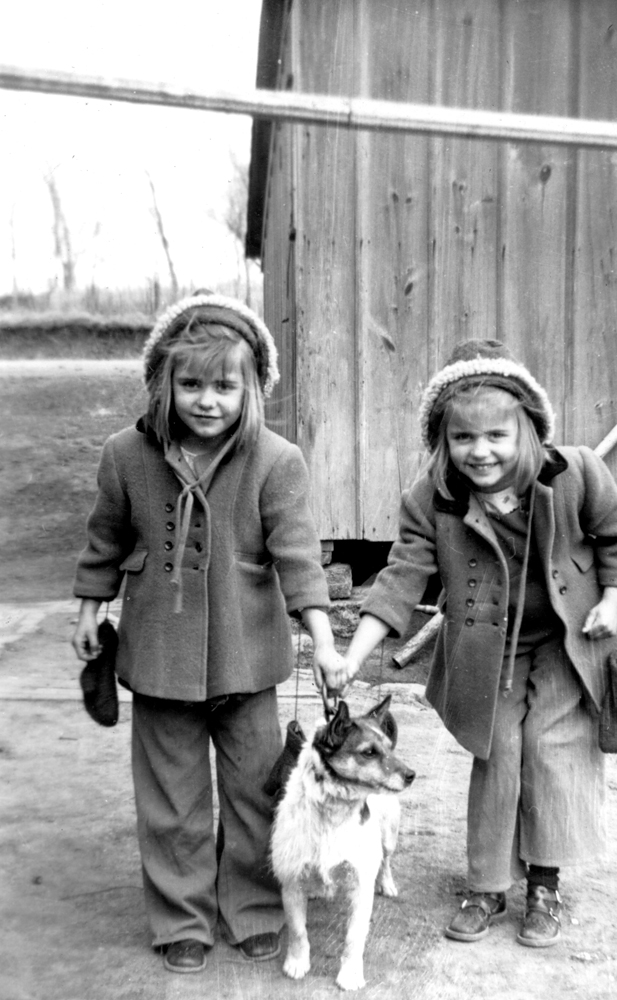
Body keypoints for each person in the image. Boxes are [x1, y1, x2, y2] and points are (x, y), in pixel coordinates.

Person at [331, 340, 617, 949]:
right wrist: (352, 656)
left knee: (550, 749)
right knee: (498, 750)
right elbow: (400, 578)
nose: (480, 451)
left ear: (528, 430)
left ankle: (545, 886)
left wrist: (611, 600)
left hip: (572, 637)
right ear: (442, 441)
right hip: (489, 648)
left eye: (497, 435)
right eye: (462, 438)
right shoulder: (432, 498)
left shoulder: (575, 472)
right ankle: (487, 886)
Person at [71, 292, 343, 974]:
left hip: (247, 662)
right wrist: (89, 610)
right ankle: (181, 917)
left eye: (225, 386)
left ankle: (252, 907)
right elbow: (104, 540)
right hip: (159, 658)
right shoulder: (124, 455)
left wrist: (323, 639)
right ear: (161, 382)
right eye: (190, 384)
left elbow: (298, 557)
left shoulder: (275, 459)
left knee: (256, 794)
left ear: (253, 389)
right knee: (171, 801)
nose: (207, 400)